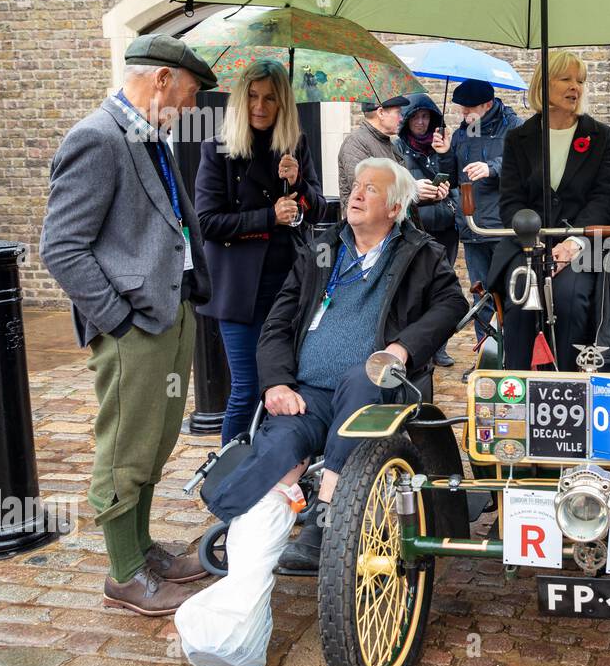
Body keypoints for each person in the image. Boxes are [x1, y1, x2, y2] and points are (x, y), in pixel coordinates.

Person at [201, 158, 469, 572]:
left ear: (395, 209)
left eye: (371, 189)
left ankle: (326, 517)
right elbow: (277, 323)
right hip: (307, 393)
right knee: (281, 444)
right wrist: (276, 384)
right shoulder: (321, 249)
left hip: (375, 387)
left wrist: (401, 349)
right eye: (356, 186)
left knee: (361, 377)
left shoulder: (420, 253)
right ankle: (253, 530)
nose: (357, 194)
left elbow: (453, 303)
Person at [40, 34, 217, 616]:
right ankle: (124, 574)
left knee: (156, 440)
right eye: (189, 93)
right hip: (133, 328)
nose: (190, 108)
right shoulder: (97, 137)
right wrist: (117, 320)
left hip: (171, 312)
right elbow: (63, 248)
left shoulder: (150, 138)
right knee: (123, 449)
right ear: (162, 80)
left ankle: (142, 551)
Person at [195, 59, 327, 445]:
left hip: (288, 284)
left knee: (286, 381)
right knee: (249, 388)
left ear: (283, 102)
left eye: (270, 98)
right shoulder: (218, 148)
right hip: (239, 289)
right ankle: (232, 475)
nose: (260, 105)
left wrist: (297, 182)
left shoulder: (293, 145)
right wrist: (268, 217)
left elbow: (318, 208)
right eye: (252, 96)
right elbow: (208, 222)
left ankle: (274, 464)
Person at [490, 51, 610, 371]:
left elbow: (603, 198)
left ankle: (569, 385)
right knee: (521, 296)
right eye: (566, 79)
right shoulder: (518, 138)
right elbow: (510, 201)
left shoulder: (601, 136)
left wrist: (574, 242)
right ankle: (518, 385)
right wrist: (529, 238)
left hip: (580, 244)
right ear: (543, 85)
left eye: (581, 81)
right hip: (527, 242)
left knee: (569, 298)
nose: (576, 87)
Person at [449, 79, 521, 356]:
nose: (463, 114)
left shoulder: (514, 127)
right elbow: (453, 173)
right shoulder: (461, 133)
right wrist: (443, 154)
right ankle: (486, 357)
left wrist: (492, 168)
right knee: (481, 297)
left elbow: (523, 163)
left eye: (469, 109)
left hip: (504, 229)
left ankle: (513, 355)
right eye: (461, 109)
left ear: (487, 105)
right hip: (472, 226)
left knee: (511, 294)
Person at [395, 93, 459, 367]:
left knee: (443, 287)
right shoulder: (397, 148)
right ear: (407, 121)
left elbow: (455, 177)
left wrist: (445, 159)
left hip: (444, 225)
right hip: (417, 226)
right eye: (416, 117)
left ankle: (439, 346)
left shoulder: (441, 146)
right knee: (416, 288)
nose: (421, 122)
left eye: (426, 117)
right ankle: (417, 345)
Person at [335, 95, 411, 211]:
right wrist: (413, 190)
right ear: (380, 113)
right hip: (370, 228)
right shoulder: (355, 143)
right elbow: (366, 191)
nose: (401, 118)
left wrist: (426, 195)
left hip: (389, 226)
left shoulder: (388, 143)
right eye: (398, 112)